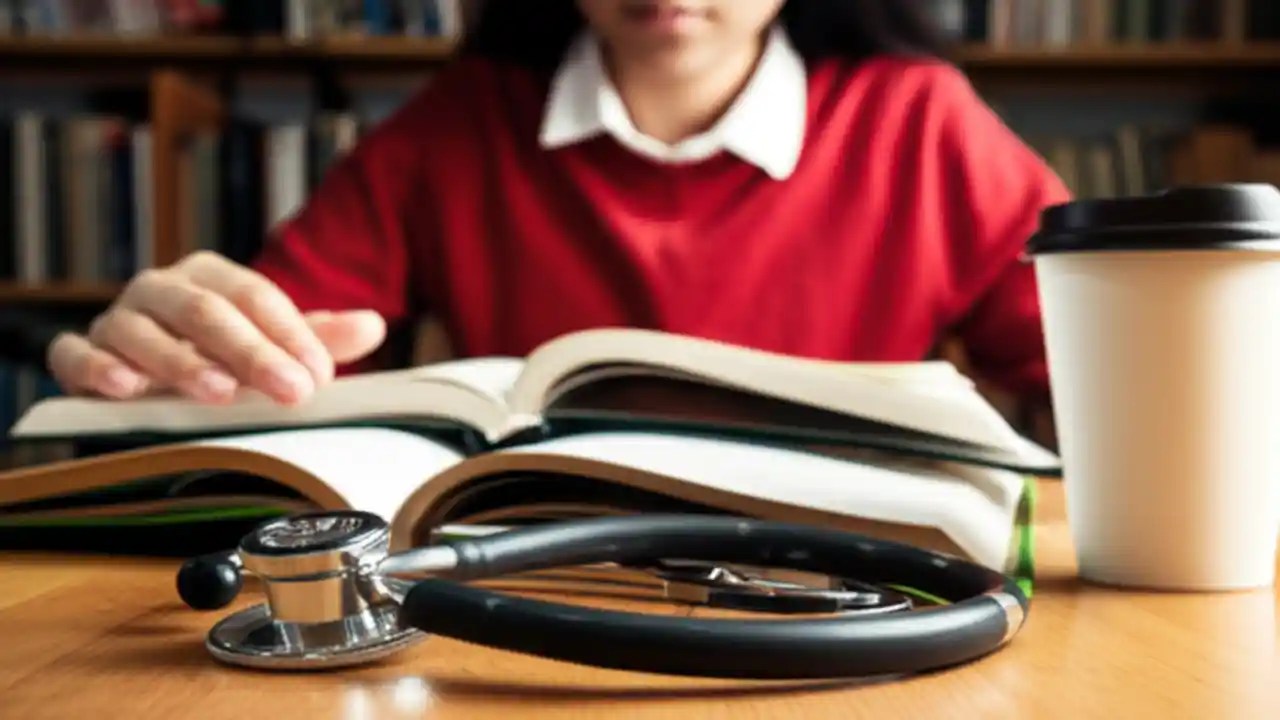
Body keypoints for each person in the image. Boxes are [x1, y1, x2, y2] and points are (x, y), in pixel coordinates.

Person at [46, 0, 1069, 419]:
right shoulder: (457, 126)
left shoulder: (922, 123)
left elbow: (1094, 376)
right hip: (526, 611)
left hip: (861, 609)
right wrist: (184, 355)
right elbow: (280, 366)